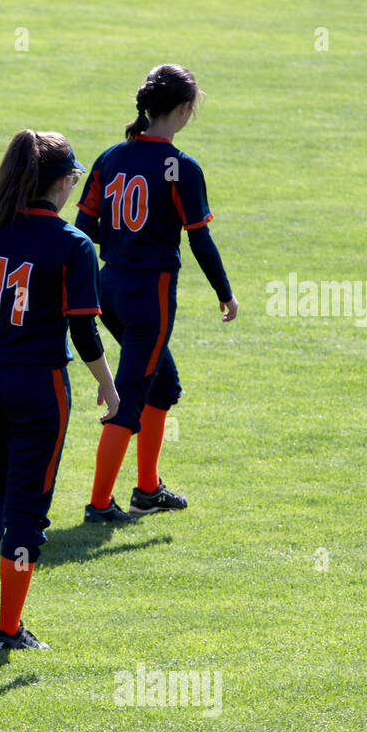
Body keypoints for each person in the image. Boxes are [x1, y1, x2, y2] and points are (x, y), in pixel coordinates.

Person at [0, 130, 119, 649]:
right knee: (28, 509)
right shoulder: (73, 245)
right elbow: (83, 332)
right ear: (59, 183)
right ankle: (9, 629)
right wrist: (110, 386)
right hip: (38, 389)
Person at [75, 64, 238, 522]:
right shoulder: (181, 167)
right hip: (151, 297)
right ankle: (99, 503)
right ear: (184, 109)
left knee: (162, 385)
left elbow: (82, 234)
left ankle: (147, 489)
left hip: (108, 289)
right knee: (129, 398)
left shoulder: (111, 157)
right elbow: (199, 239)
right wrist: (225, 293)